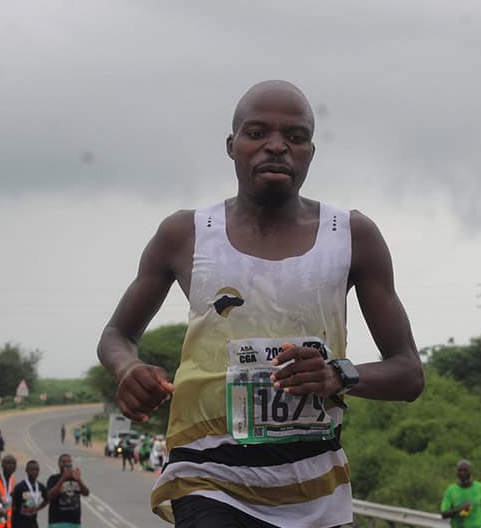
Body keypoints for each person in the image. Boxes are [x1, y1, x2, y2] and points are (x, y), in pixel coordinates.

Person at [97, 80, 425, 527]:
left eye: (295, 137)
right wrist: (128, 369)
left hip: (315, 487)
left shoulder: (351, 237)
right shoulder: (187, 234)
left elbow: (408, 373)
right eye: (257, 133)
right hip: (208, 476)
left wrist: (337, 375)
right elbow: (118, 335)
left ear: (311, 151)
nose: (276, 147)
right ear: (232, 146)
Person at [440, 460, 481, 528]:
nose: (462, 473)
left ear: (470, 471)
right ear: (456, 472)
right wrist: (459, 509)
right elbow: (444, 514)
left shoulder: (480, 488)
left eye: (465, 470)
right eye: (460, 470)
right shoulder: (451, 490)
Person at [46, 454, 89, 528]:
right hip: (57, 523)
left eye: (69, 462)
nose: (66, 464)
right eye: (64, 462)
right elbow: (50, 495)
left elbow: (86, 493)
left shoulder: (76, 478)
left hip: (74, 523)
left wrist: (79, 480)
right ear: (59, 464)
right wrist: (63, 478)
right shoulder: (53, 478)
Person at [11, 460, 49, 528]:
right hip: (20, 524)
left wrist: (38, 508)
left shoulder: (40, 486)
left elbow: (47, 499)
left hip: (33, 523)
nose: (35, 472)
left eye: (37, 470)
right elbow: (13, 508)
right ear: (26, 470)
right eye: (32, 469)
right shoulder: (19, 487)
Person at [0, 454, 17, 528]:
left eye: (14, 464)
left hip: (8, 522)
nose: (11, 466)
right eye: (8, 463)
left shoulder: (13, 479)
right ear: (2, 464)